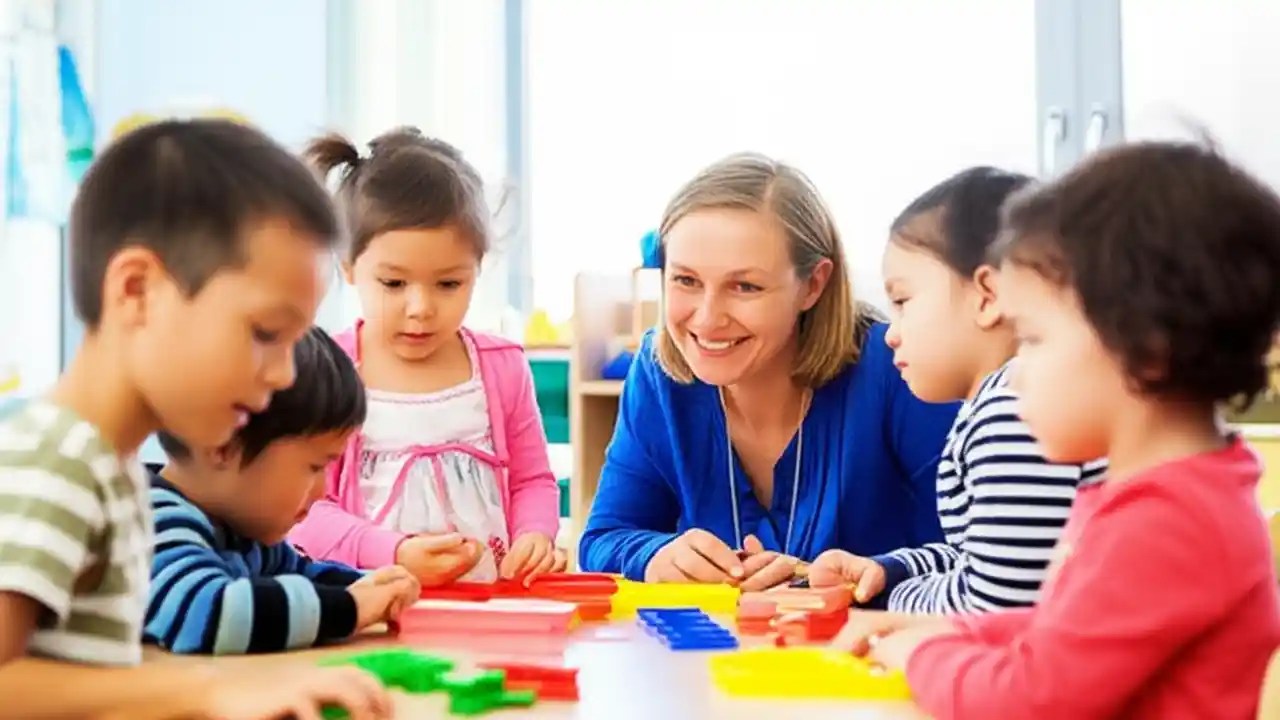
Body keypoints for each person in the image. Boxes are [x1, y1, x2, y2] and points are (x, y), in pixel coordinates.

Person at [835, 141, 1280, 719]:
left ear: (1143, 352)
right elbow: (1070, 632)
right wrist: (938, 625)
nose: (1016, 380)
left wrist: (925, 654)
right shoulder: (1169, 498)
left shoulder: (1169, 524)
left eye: (1036, 340)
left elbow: (1034, 699)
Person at [0, 120, 390, 719]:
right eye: (265, 334)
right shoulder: (59, 462)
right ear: (137, 290)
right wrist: (209, 690)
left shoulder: (111, 470)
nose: (286, 375)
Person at [578, 152, 959, 593]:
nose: (706, 319)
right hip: (716, 658)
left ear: (813, 285)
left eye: (745, 287)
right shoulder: (657, 373)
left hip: (875, 653)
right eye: (685, 280)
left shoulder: (897, 367)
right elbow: (604, 539)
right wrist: (655, 556)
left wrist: (868, 576)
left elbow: (978, 556)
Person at [809, 167, 1106, 612]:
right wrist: (892, 569)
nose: (891, 333)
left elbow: (998, 602)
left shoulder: (1016, 411)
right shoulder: (999, 403)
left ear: (987, 296)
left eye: (904, 302)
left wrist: (886, 601)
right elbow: (987, 561)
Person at [289, 127, 564, 586]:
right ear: (349, 268)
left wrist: (534, 536)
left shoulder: (501, 367)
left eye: (449, 284)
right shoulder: (327, 371)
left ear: (478, 270)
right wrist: (391, 552)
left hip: (490, 606)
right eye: (394, 284)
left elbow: (532, 480)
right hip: (372, 609)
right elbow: (304, 510)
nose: (421, 309)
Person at [145, 327, 420, 655]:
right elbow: (205, 612)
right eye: (315, 466)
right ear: (222, 446)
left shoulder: (244, 532)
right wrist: (351, 607)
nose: (322, 492)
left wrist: (368, 584)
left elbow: (300, 573)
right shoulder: (151, 522)